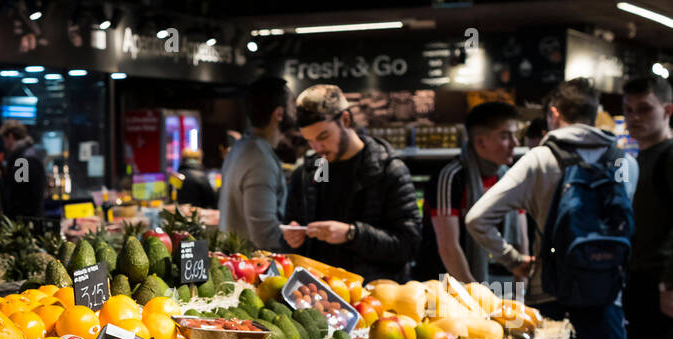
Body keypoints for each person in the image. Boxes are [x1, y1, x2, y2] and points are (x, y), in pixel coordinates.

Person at [467, 78, 637, 339]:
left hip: (551, 295)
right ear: (594, 112)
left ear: (554, 114)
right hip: (607, 296)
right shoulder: (624, 161)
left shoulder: (539, 160)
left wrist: (514, 260)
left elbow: (477, 219)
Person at [284, 84, 421, 282]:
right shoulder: (308, 174)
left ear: (345, 119)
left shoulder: (388, 171)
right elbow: (292, 232)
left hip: (373, 298)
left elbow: (409, 245)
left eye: (323, 136)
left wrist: (352, 234)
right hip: (317, 295)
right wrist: (292, 238)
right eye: (310, 141)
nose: (317, 147)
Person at [621, 75, 673, 339]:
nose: (636, 118)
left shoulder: (669, 156)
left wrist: (669, 281)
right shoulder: (640, 158)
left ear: (667, 110)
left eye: (645, 108)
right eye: (630, 110)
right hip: (639, 284)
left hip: (658, 285)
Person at [415, 101, 526, 284]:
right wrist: (476, 297)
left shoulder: (512, 179)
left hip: (500, 283)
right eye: (506, 136)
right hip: (447, 286)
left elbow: (522, 242)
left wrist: (520, 288)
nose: (514, 143)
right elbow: (449, 248)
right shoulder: (451, 178)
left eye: (516, 135)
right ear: (481, 142)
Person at [219, 75, 293, 250]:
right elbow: (265, 235)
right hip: (254, 268)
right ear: (279, 113)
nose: (296, 112)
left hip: (238, 263)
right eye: (293, 106)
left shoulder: (240, 148)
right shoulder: (260, 160)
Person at [0, 120, 46, 218]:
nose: (4, 145)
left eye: (4, 140)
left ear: (10, 137)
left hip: (24, 222)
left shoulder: (23, 161)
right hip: (30, 219)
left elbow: (21, 197)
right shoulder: (28, 154)